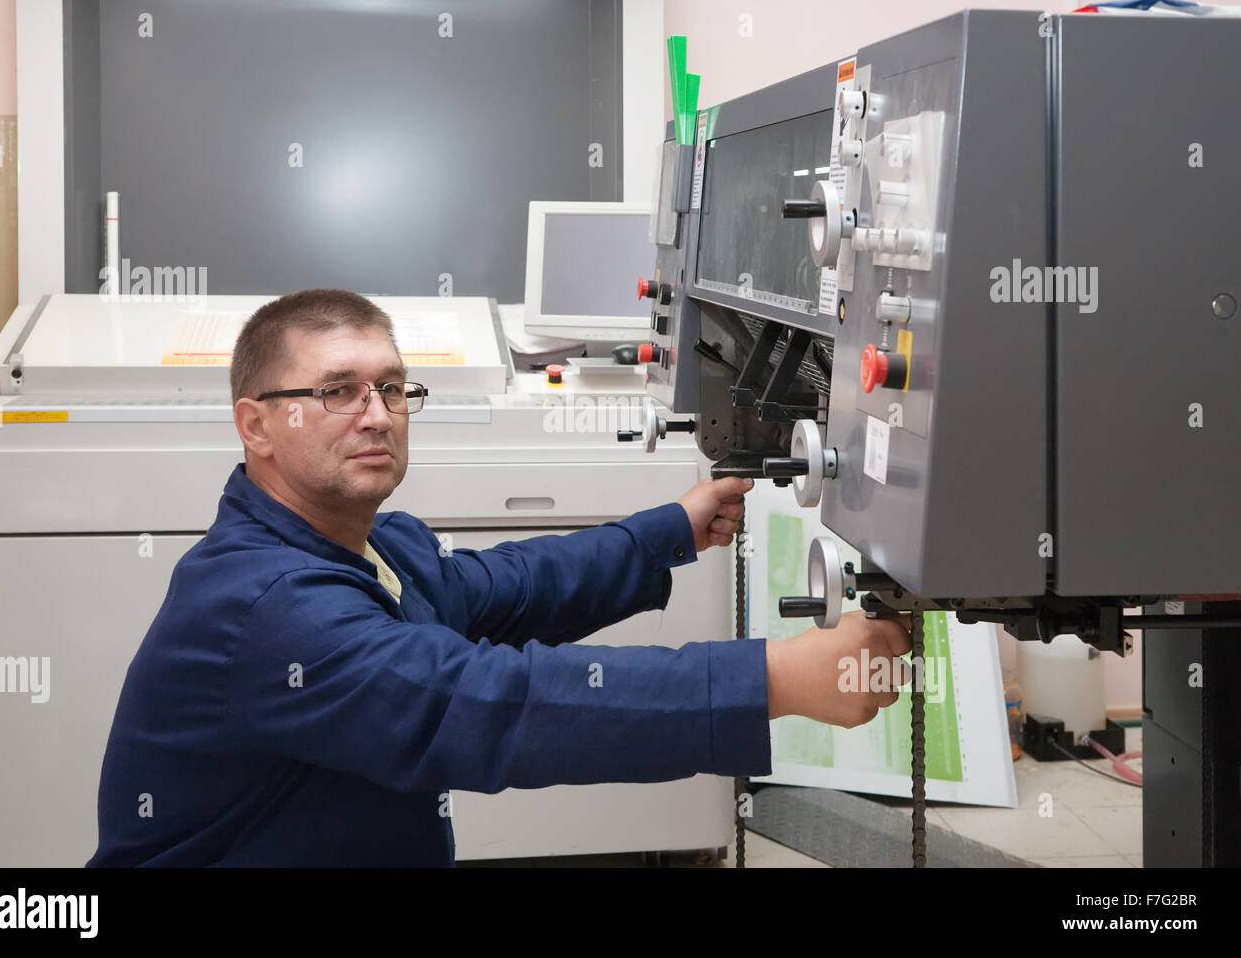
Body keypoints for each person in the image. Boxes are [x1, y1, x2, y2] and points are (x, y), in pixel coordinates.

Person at [89, 288, 910, 866]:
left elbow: (509, 586)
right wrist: (774, 679)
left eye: (391, 387)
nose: (377, 413)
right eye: (338, 391)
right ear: (256, 424)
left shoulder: (374, 545)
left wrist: (667, 530)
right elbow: (487, 703)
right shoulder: (268, 608)